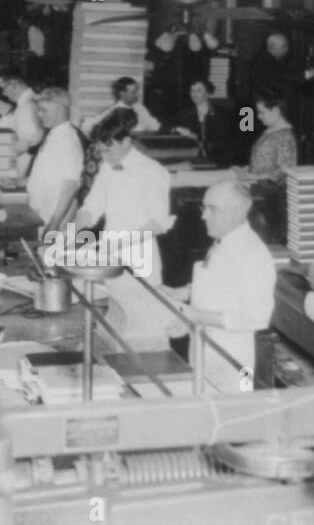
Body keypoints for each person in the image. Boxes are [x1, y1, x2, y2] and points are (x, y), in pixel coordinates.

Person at [70, 108, 176, 349]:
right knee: (117, 322)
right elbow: (92, 206)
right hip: (111, 259)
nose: (104, 156)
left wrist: (120, 242)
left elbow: (158, 223)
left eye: (109, 149)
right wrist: (71, 233)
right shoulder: (109, 166)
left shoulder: (153, 172)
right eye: (101, 150)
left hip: (140, 262)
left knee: (145, 330)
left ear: (126, 141)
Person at [165, 179, 276, 393]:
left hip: (236, 363)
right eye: (203, 207)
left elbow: (257, 317)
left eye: (212, 209)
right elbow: (221, 283)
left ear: (237, 212)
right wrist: (184, 292)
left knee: (239, 413)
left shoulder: (252, 254)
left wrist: (195, 315)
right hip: (207, 350)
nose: (203, 215)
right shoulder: (223, 240)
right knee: (204, 411)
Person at [234, 87, 297, 243]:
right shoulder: (271, 130)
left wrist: (254, 176)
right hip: (260, 194)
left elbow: (284, 171)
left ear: (275, 110)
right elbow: (265, 161)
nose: (258, 116)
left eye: (262, 112)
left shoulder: (284, 136)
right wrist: (246, 169)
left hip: (271, 201)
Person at [28, 88, 85, 235]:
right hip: (43, 214)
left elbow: (70, 186)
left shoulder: (67, 140)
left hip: (55, 220)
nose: (39, 115)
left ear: (60, 109)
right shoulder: (54, 134)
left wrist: (54, 223)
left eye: (44, 110)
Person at [249, 32, 314, 112]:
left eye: (287, 46)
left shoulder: (270, 59)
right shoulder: (266, 62)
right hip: (268, 107)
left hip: (270, 103)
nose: (287, 49)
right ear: (273, 47)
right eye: (283, 46)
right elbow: (287, 76)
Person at [165, 78, 231, 166]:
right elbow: (164, 127)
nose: (194, 94)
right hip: (191, 159)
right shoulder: (184, 113)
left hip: (217, 160)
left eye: (199, 90)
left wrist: (195, 137)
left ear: (207, 93)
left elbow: (220, 142)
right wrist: (176, 129)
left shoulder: (221, 113)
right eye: (192, 90)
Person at [0, 69, 43, 178]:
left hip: (23, 162)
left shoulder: (26, 106)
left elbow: (24, 143)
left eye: (4, 89)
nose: (4, 94)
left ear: (14, 84)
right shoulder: (30, 100)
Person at [82, 77, 161, 134]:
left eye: (137, 91)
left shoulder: (140, 108)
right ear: (122, 93)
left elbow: (154, 126)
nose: (137, 94)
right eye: (133, 92)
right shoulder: (114, 111)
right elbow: (87, 125)